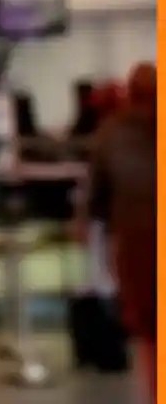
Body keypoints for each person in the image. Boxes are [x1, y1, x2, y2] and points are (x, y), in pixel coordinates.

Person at [89, 63, 157, 400]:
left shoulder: (112, 133)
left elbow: (95, 200)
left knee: (151, 334)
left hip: (135, 245)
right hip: (136, 243)